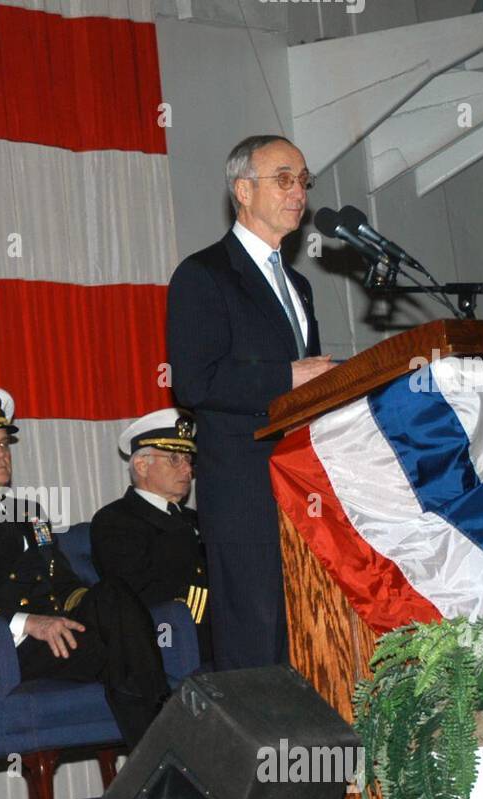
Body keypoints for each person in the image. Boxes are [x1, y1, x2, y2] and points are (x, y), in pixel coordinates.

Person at [0, 387, 169, 749]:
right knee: (128, 645)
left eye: (4, 444)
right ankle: (163, 746)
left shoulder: (28, 512)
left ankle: (152, 750)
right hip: (5, 648)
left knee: (113, 600)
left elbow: (63, 584)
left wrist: (85, 608)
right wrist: (29, 622)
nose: (0, 453)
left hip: (60, 636)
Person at [167, 134, 335, 670]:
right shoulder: (204, 275)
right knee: (258, 634)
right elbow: (194, 382)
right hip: (244, 486)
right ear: (243, 190)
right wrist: (288, 374)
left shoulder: (300, 286)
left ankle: (317, 746)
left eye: (303, 180)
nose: (298, 192)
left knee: (308, 627)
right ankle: (265, 752)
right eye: (283, 178)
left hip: (303, 481)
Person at [90, 408, 211, 665]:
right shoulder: (115, 520)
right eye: (175, 459)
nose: (187, 469)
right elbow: (137, 592)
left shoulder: (196, 519)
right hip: (168, 635)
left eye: (189, 460)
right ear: (142, 465)